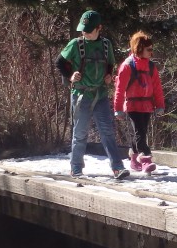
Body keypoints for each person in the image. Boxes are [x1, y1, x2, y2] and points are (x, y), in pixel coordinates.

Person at [56, 10, 129, 179]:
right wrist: (70, 75)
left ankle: (117, 168)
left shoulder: (106, 45)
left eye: (89, 30)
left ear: (99, 28)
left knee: (107, 132)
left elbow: (110, 63)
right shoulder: (75, 44)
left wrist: (108, 75)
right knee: (80, 133)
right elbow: (59, 62)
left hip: (100, 94)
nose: (85, 33)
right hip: (81, 95)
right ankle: (76, 168)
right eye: (83, 30)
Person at [114, 31, 165, 174]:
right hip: (132, 106)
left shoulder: (151, 67)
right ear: (139, 48)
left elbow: (157, 87)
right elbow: (119, 89)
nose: (151, 52)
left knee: (141, 132)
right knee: (139, 134)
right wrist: (118, 109)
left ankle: (134, 158)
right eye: (149, 49)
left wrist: (160, 105)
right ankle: (146, 159)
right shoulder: (127, 66)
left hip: (147, 106)